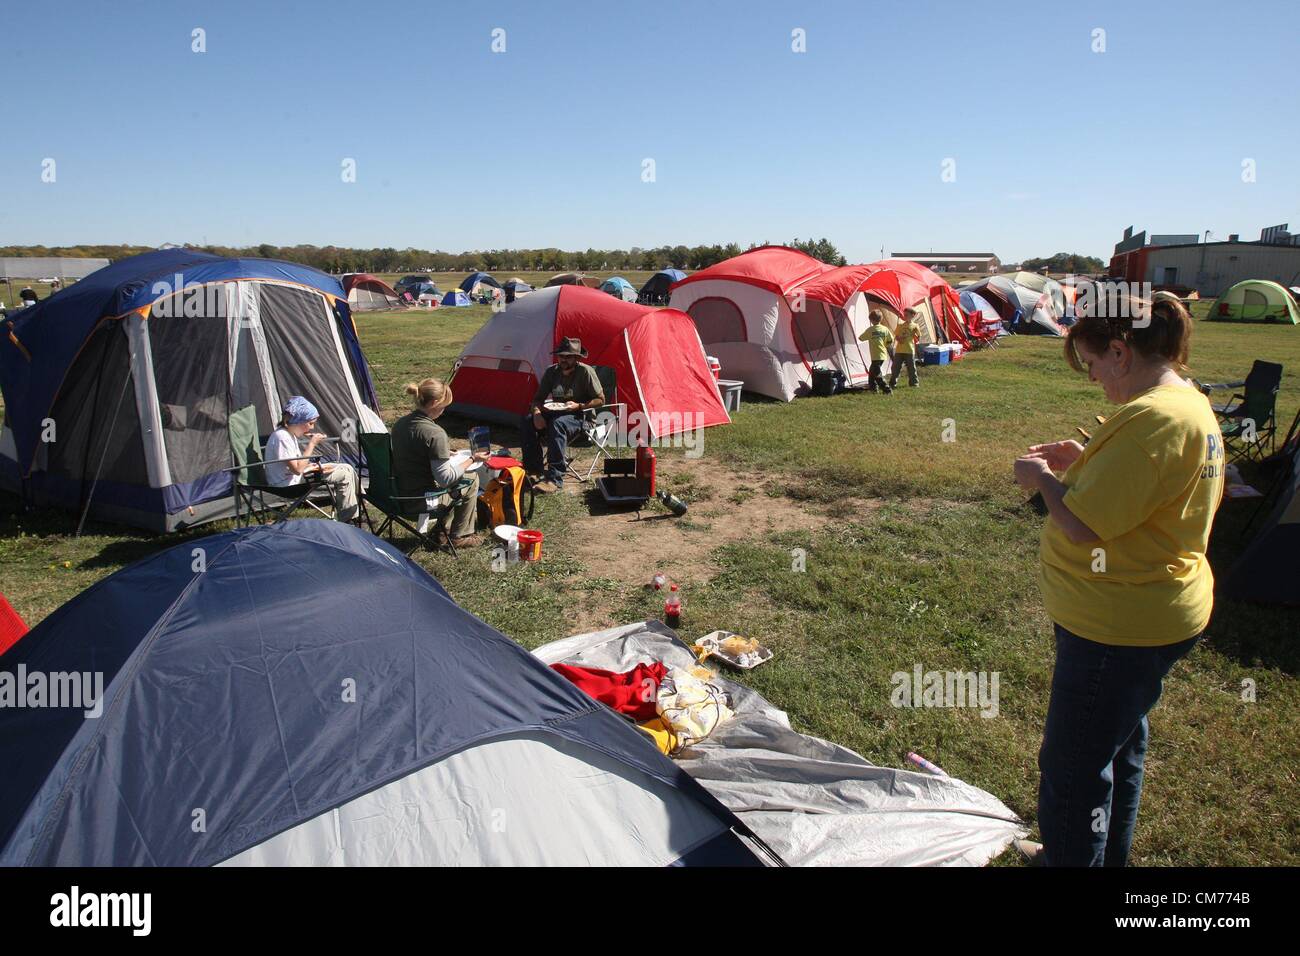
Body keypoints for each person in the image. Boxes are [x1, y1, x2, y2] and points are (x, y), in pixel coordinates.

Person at [1012, 297, 1224, 867]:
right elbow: (1149, 490)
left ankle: (1069, 858)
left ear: (1120, 351)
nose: (1095, 380)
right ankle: (1095, 856)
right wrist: (1086, 459)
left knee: (1074, 766)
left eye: (1094, 364)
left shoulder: (1153, 419)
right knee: (1117, 748)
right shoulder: (1187, 405)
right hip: (1148, 613)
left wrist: (1041, 479)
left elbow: (1082, 524)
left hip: (1117, 627)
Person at [391, 378, 487, 545]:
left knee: (456, 480)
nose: (444, 410)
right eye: (443, 406)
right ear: (435, 403)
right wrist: (472, 459)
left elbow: (414, 452)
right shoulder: (435, 433)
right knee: (471, 480)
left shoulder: (400, 424)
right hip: (420, 501)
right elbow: (445, 480)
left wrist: (442, 453)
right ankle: (461, 535)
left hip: (397, 494)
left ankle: (441, 531)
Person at [521, 337, 604, 493]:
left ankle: (554, 479)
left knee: (557, 424)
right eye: (561, 356)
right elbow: (538, 399)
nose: (563, 359)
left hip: (582, 417)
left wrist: (580, 405)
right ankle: (533, 471)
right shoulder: (552, 372)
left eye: (568, 356)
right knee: (527, 421)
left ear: (577, 358)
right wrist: (537, 413)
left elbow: (600, 399)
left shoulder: (585, 372)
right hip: (556, 414)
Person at [264, 396, 359, 523]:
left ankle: (357, 509)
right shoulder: (282, 437)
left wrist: (312, 467)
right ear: (299, 421)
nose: (312, 428)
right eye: (310, 423)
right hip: (288, 485)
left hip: (293, 478)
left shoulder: (288, 434)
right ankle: (350, 518)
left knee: (347, 467)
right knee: (345, 474)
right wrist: (312, 444)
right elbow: (297, 469)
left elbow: (297, 466)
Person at [889, 307, 921, 388]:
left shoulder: (915, 326)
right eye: (904, 314)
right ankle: (892, 383)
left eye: (907, 314)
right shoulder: (900, 325)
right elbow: (896, 336)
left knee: (911, 368)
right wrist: (899, 339)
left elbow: (918, 338)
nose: (905, 316)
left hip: (909, 350)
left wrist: (915, 335)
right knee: (895, 368)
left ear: (912, 315)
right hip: (899, 350)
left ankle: (914, 384)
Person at [864, 311, 894, 394]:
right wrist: (885, 344)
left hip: (875, 355)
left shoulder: (870, 330)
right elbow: (890, 340)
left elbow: (861, 338)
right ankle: (873, 388)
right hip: (882, 354)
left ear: (871, 320)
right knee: (872, 371)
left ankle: (886, 389)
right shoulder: (885, 329)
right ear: (881, 319)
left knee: (877, 373)